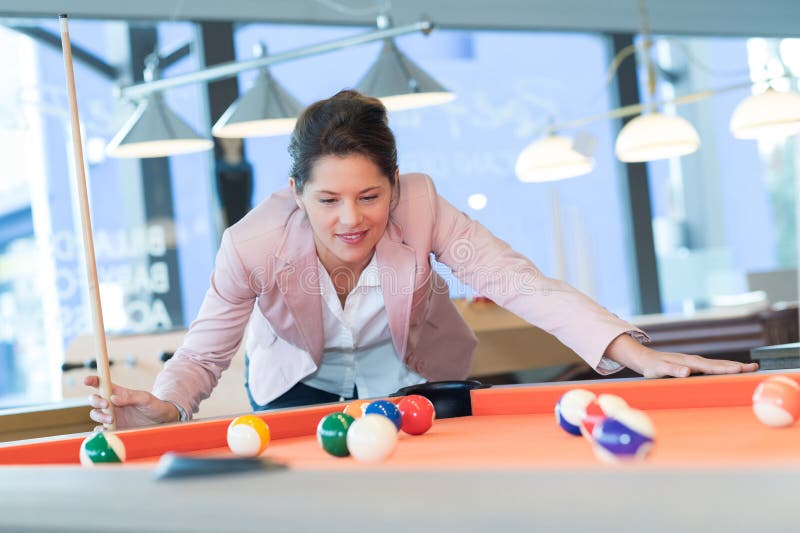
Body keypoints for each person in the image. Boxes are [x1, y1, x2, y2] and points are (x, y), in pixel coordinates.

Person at [86, 90, 758, 428]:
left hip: (414, 374)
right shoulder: (251, 243)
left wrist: (634, 354)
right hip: (296, 384)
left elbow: (517, 282)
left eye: (370, 196)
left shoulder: (424, 205)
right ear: (296, 192)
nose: (351, 219)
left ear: (395, 184)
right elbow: (204, 355)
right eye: (328, 200)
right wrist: (167, 406)